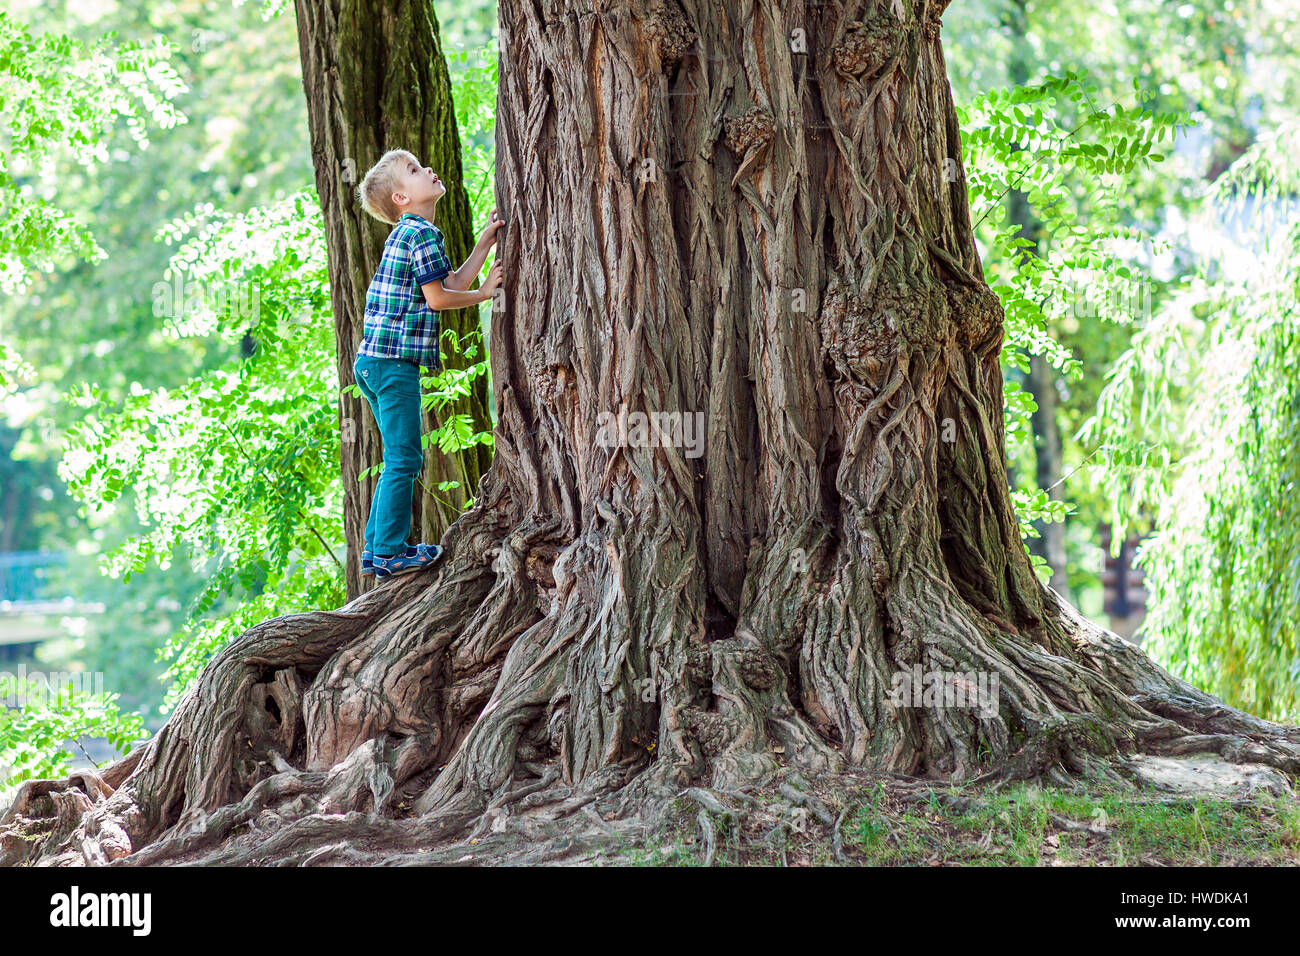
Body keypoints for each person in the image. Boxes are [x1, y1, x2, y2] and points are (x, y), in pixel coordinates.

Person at [352, 149, 504, 579]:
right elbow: (442, 299)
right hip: (391, 365)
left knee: (398, 457)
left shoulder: (415, 233)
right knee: (404, 458)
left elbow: (449, 283)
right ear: (401, 198)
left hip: (375, 364)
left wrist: (483, 245)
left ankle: (377, 549)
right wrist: (485, 295)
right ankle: (388, 550)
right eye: (415, 171)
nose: (429, 170)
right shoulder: (418, 234)